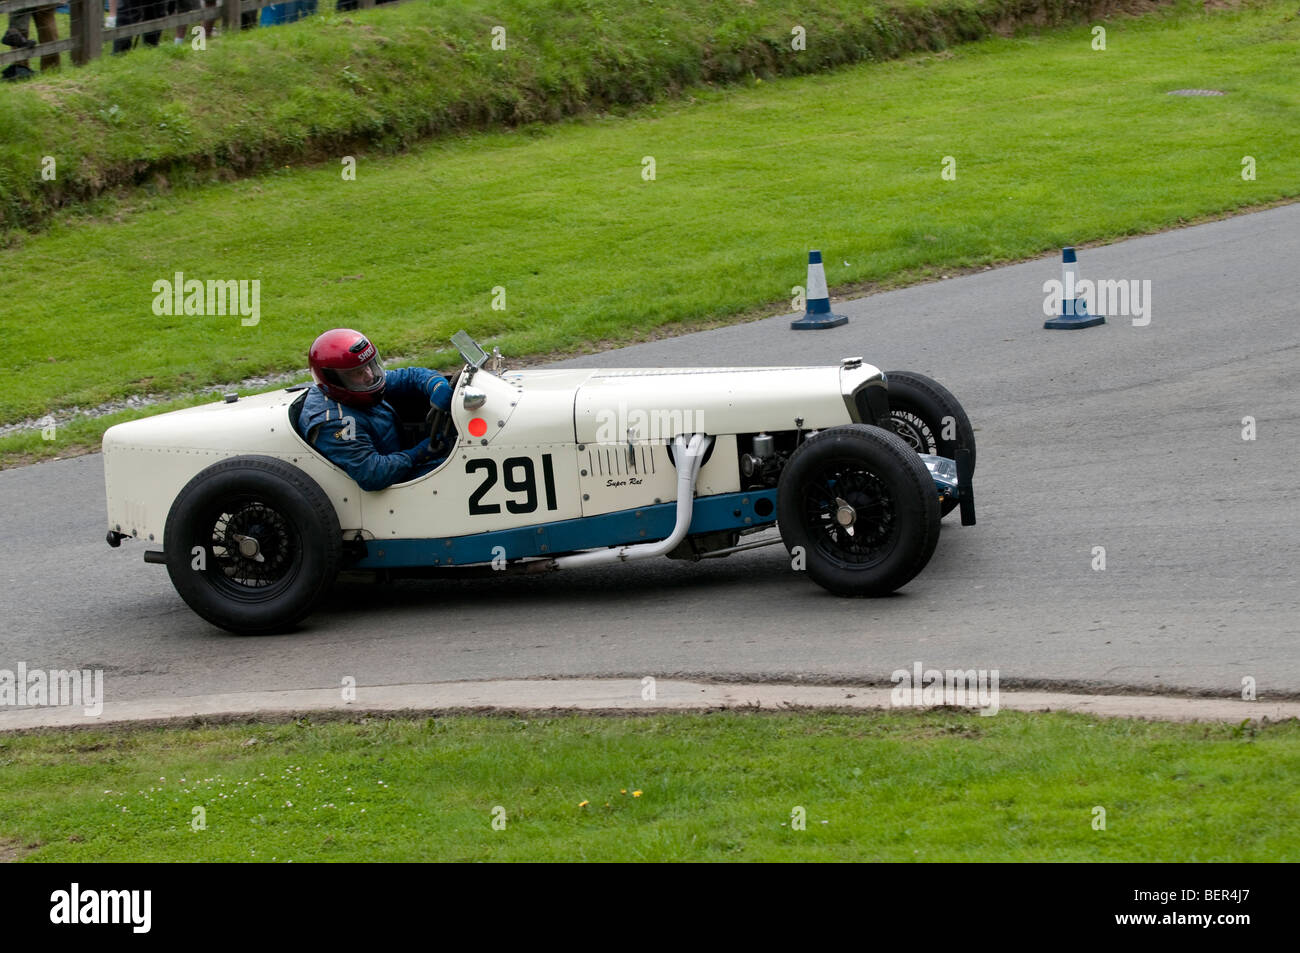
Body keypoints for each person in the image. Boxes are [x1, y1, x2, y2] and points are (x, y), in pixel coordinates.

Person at [298, 328, 453, 491]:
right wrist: (419, 454)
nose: (370, 375)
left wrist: (436, 385)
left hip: (395, 461)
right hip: (380, 490)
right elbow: (372, 474)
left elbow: (410, 376)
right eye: (358, 372)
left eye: (369, 366)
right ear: (334, 380)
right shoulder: (338, 424)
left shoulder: (361, 382)